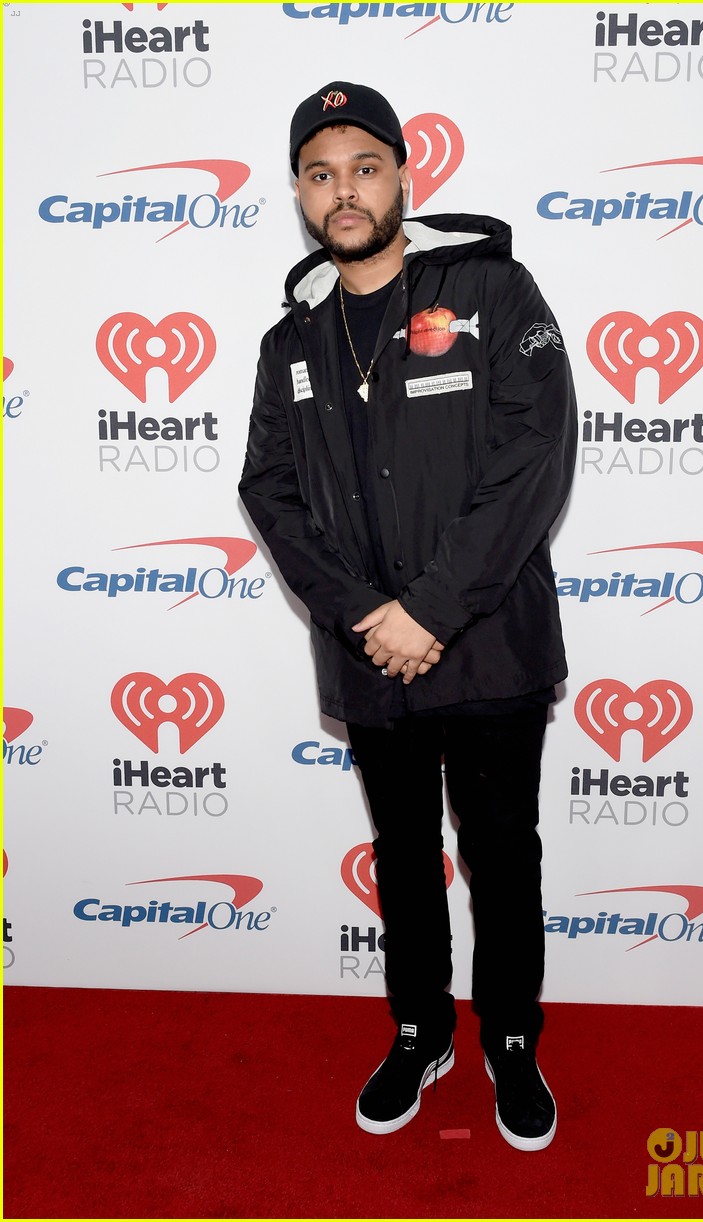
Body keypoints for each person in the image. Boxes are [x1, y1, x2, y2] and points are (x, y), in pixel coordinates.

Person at [239, 81, 577, 1152]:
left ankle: (511, 1039)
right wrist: (368, 618)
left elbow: (537, 454)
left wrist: (427, 608)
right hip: (369, 659)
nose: (344, 191)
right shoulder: (286, 344)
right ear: (300, 191)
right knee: (399, 853)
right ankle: (421, 1026)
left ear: (402, 176)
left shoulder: (491, 288)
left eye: (365, 167)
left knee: (503, 854)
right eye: (321, 172)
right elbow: (272, 495)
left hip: (488, 647)